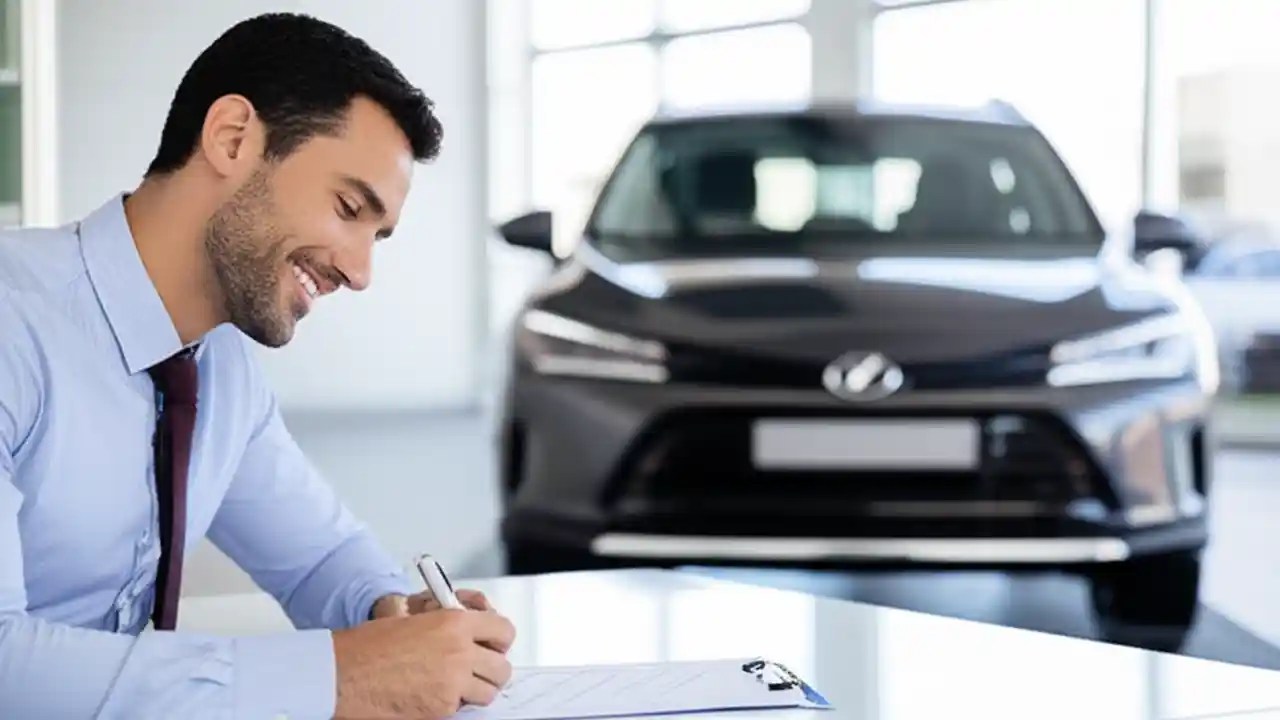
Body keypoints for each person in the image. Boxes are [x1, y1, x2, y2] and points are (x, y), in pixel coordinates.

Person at [0, 12, 515, 720]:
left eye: (379, 235)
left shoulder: (218, 368)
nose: (361, 272)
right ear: (233, 139)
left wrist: (394, 613)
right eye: (347, 207)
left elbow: (318, 555)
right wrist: (336, 679)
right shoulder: (12, 323)